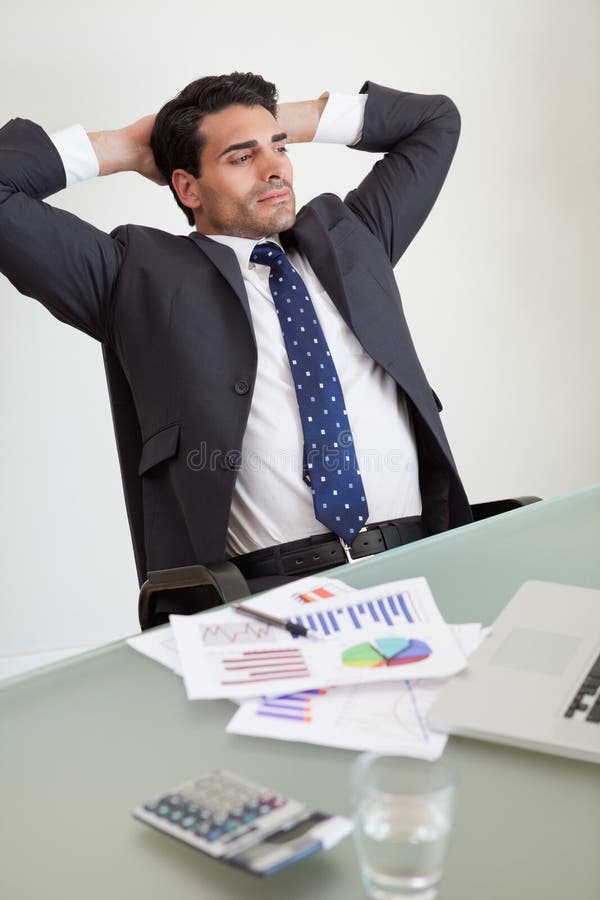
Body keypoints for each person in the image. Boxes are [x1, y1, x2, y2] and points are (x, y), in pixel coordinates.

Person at [0, 73, 472, 617]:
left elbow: (435, 121)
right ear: (187, 188)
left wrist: (270, 117)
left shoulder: (352, 238)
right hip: (260, 598)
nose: (275, 169)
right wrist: (129, 147)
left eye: (280, 149)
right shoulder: (135, 277)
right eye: (241, 158)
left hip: (419, 563)